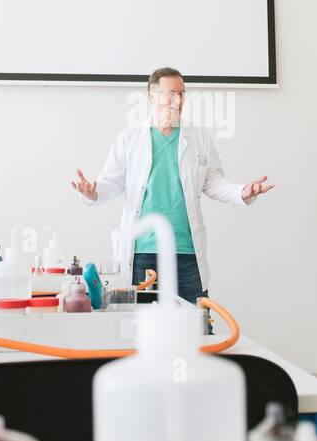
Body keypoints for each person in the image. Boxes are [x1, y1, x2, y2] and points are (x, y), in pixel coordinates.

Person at [70, 66, 274, 303]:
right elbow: (110, 184)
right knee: (143, 329)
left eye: (182, 94)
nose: (177, 101)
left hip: (186, 254)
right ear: (152, 96)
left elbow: (214, 183)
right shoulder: (129, 139)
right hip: (143, 253)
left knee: (197, 328)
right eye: (170, 94)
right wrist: (92, 192)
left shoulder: (198, 139)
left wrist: (242, 192)